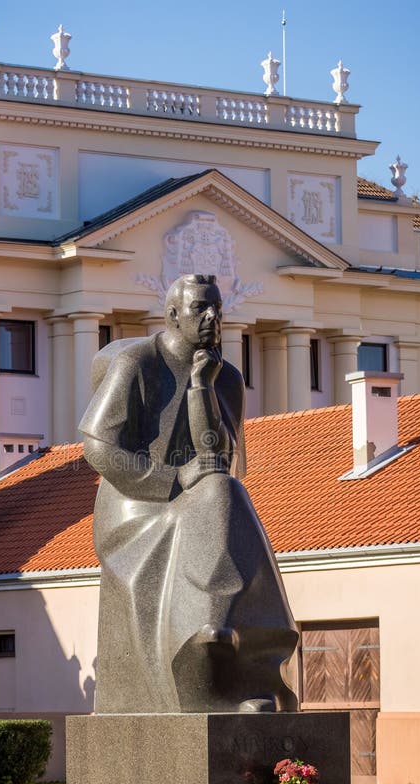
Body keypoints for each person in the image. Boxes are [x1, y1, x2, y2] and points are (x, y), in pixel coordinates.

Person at [79, 274, 299, 714]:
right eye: (201, 308)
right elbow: (98, 446)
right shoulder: (138, 363)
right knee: (220, 494)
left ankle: (240, 654)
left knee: (227, 491)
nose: (213, 318)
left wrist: (202, 388)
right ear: (173, 315)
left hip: (196, 502)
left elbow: (218, 458)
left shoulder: (226, 378)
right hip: (135, 506)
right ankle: (208, 649)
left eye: (217, 308)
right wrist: (173, 479)